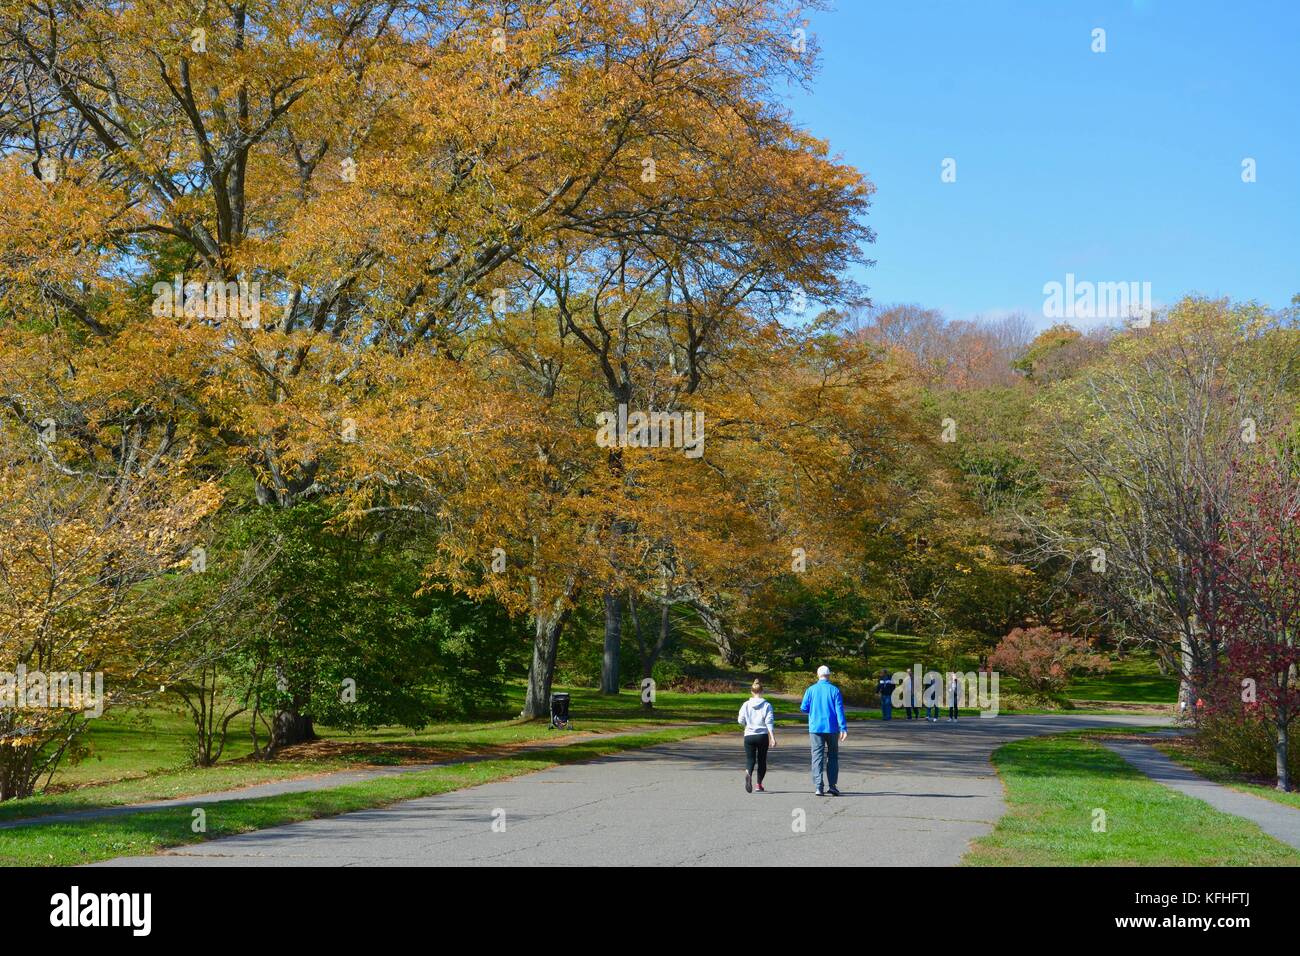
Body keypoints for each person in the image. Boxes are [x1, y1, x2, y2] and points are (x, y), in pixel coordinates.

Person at [800, 665, 848, 796]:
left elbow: (804, 707)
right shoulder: (834, 690)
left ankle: (818, 786)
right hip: (832, 728)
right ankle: (832, 786)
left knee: (817, 756)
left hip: (815, 728)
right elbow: (839, 710)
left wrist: (814, 710)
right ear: (829, 675)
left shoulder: (810, 690)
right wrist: (843, 727)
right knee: (832, 756)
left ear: (818, 675)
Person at [737, 679, 776, 793]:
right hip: (762, 735)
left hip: (749, 735)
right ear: (762, 691)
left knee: (750, 759)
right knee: (762, 760)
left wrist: (747, 725)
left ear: (751, 691)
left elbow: (740, 720)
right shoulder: (767, 705)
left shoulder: (746, 704)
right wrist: (772, 738)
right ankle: (759, 784)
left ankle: (748, 773)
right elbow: (769, 722)